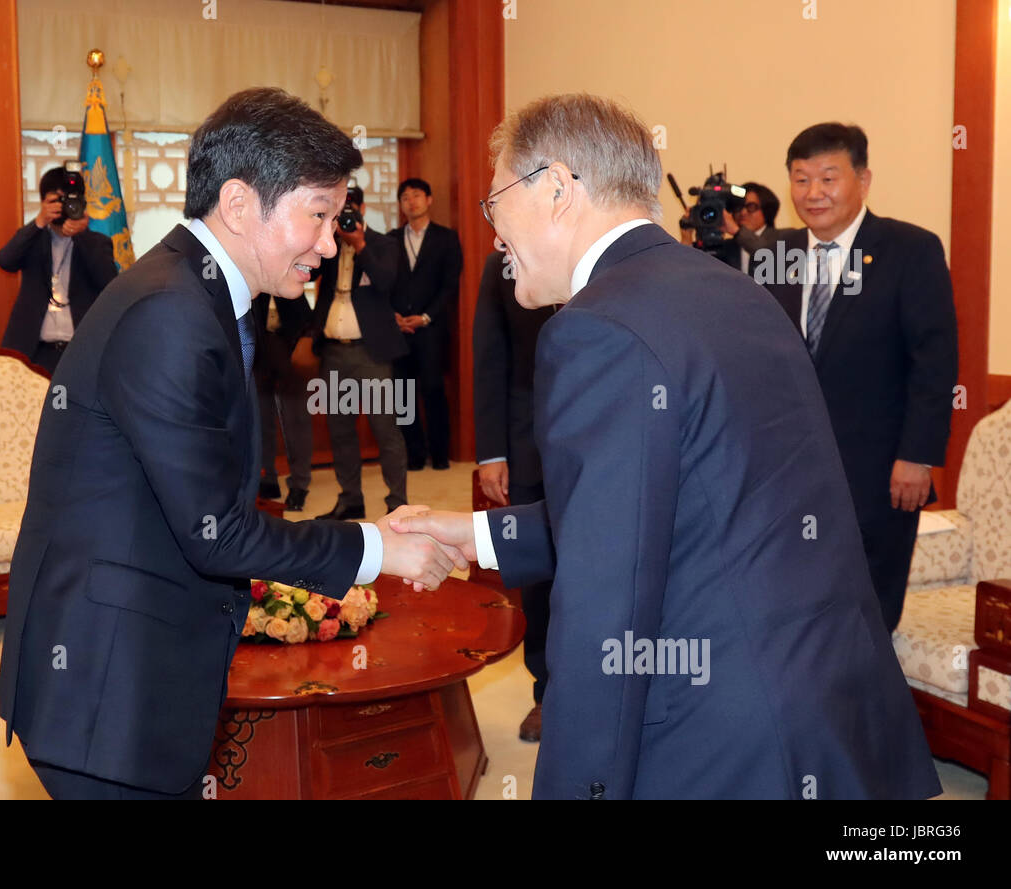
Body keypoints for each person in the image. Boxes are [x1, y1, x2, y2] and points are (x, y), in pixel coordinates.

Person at [391, 93, 941, 800]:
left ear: (557, 188)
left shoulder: (598, 328)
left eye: (495, 200)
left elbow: (602, 611)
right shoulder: (736, 291)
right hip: (831, 704)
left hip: (724, 734)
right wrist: (470, 536)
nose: (492, 232)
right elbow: (671, 507)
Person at [0, 88, 462, 800]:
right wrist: (376, 548)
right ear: (241, 204)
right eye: (318, 215)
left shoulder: (200, 292)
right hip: (105, 691)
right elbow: (216, 531)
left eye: (337, 220)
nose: (331, 243)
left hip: (135, 669)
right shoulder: (171, 313)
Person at [756, 123, 958, 632]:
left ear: (863, 180)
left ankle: (864, 711)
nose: (814, 193)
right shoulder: (773, 254)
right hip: (788, 478)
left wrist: (917, 455)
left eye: (828, 177)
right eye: (801, 179)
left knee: (866, 613)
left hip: (880, 475)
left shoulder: (909, 250)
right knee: (794, 612)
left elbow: (933, 362)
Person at [472, 249, 557, 742]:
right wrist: (491, 452)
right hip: (529, 443)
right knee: (538, 573)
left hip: (610, 438)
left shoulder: (608, 245)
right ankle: (546, 691)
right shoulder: (504, 263)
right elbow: (490, 355)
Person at [311, 186, 409, 520]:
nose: (346, 213)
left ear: (363, 207)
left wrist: (360, 245)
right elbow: (307, 274)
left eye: (350, 206)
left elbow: (386, 283)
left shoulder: (384, 244)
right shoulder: (327, 244)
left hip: (372, 354)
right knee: (340, 430)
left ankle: (397, 502)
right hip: (334, 352)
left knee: (386, 429)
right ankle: (350, 498)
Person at [0, 167, 118, 373]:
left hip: (80, 352)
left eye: (69, 201)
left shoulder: (96, 242)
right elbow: (5, 261)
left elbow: (109, 283)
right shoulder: (32, 239)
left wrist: (81, 234)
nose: (63, 208)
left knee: (70, 406)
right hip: (34, 352)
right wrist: (39, 222)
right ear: (44, 203)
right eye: (56, 202)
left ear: (81, 203)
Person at [388, 178, 463, 471]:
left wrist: (426, 317)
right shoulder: (391, 239)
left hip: (431, 328)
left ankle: (440, 454)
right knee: (403, 394)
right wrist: (393, 316)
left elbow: (449, 285)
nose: (411, 201)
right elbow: (384, 283)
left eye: (417, 195)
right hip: (398, 329)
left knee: (433, 389)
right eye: (405, 197)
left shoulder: (446, 238)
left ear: (429, 199)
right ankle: (415, 455)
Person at [252, 291, 314, 510]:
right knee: (260, 417)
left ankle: (299, 484)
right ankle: (266, 477)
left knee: (296, 419)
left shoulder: (289, 268)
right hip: (257, 345)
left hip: (293, 345)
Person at [723, 181, 781, 274]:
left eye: (751, 207)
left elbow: (769, 254)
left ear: (766, 210)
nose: (743, 213)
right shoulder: (727, 247)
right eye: (738, 207)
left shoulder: (785, 237)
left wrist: (737, 231)